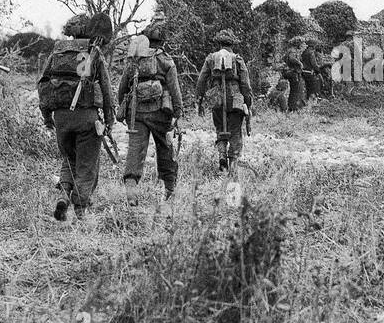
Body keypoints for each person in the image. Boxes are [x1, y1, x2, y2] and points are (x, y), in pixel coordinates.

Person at [37, 13, 115, 220]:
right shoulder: (93, 52)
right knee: (86, 166)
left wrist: (47, 117)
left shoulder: (57, 52)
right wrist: (109, 120)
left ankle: (63, 195)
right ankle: (80, 211)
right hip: (86, 117)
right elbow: (107, 91)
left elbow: (43, 85)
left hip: (61, 118)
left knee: (69, 160)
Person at [117, 19, 183, 204]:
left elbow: (122, 88)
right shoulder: (166, 60)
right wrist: (178, 113)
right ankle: (169, 191)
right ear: (162, 41)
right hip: (161, 113)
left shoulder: (134, 60)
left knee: (135, 150)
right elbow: (175, 90)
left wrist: (122, 105)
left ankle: (131, 188)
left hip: (136, 113)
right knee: (165, 149)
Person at [195, 29, 253, 174]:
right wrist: (248, 102)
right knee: (235, 132)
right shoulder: (238, 59)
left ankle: (222, 158)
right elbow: (245, 84)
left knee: (220, 128)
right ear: (232, 44)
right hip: (235, 100)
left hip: (217, 98)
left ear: (219, 43)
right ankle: (233, 165)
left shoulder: (210, 58)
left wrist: (200, 99)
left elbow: (201, 80)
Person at [283, 36, 306, 111]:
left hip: (291, 72)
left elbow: (285, 58)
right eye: (301, 43)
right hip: (293, 73)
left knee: (294, 91)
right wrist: (299, 63)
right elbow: (291, 58)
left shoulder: (290, 50)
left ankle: (292, 107)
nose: (302, 45)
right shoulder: (293, 51)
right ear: (297, 44)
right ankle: (293, 108)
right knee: (295, 91)